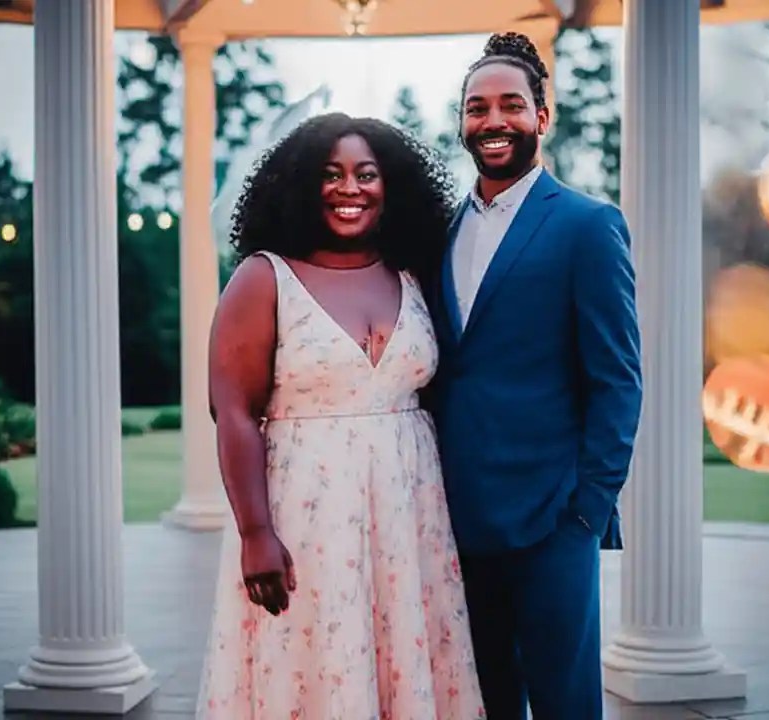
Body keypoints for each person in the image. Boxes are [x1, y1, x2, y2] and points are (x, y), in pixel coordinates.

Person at [195, 112, 486, 719]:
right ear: (302, 185)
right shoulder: (264, 277)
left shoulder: (411, 273)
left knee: (405, 665)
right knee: (317, 665)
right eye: (331, 174)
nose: (349, 188)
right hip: (306, 520)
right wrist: (255, 533)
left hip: (410, 522)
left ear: (390, 185)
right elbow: (234, 411)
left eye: (366, 174)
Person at [430, 32, 643, 719]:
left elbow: (618, 378)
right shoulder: (437, 234)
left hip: (553, 520)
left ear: (541, 117)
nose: (493, 120)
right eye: (477, 107)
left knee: (565, 705)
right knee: (483, 702)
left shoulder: (588, 226)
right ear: (462, 121)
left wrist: (587, 510)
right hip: (457, 519)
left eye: (511, 105)